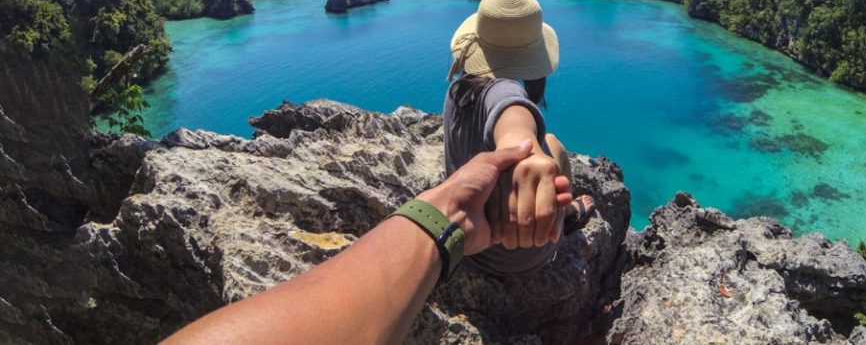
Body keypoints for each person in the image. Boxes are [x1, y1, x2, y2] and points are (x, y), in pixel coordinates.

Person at [163, 141, 572, 344]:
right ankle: (571, 217)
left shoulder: (463, 92)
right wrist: (451, 216)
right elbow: (514, 114)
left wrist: (451, 214)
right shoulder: (501, 94)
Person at [444, 0, 594, 275]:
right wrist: (526, 155)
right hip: (522, 254)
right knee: (553, 144)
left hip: (467, 243)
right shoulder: (506, 90)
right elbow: (512, 120)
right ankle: (568, 214)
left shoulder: (457, 89)